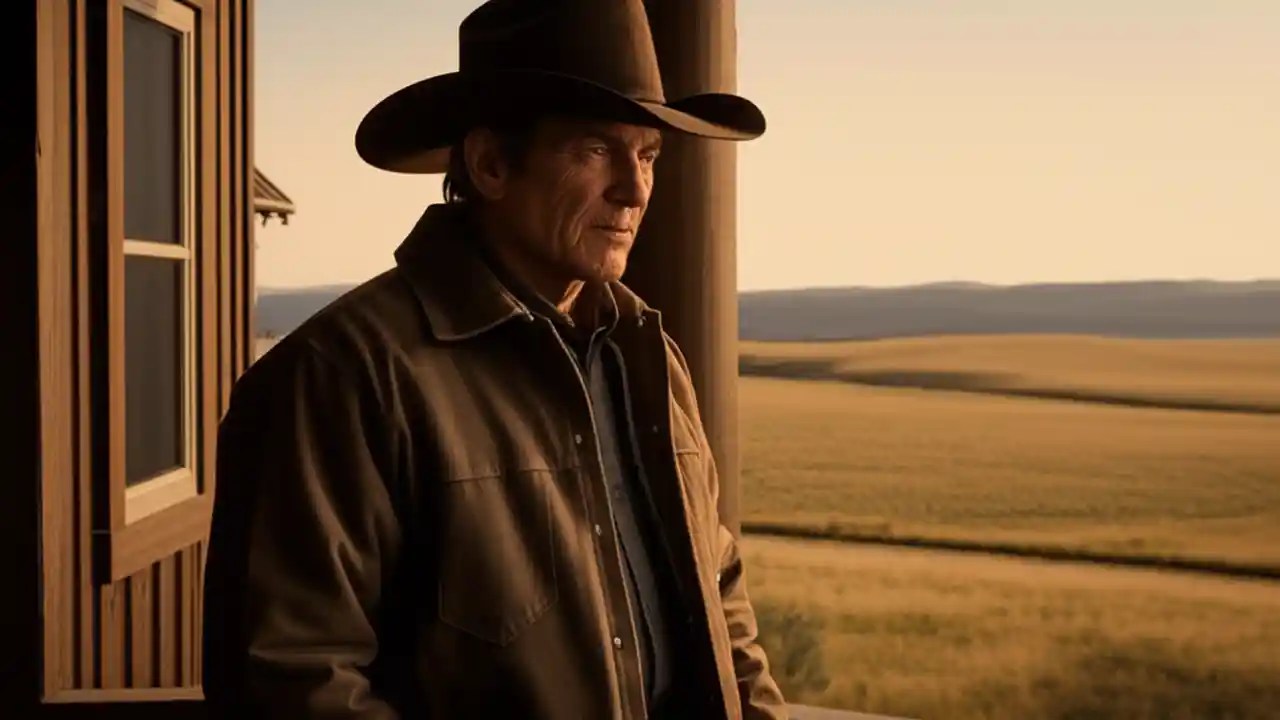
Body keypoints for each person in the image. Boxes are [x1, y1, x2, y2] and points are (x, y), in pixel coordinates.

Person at [202, 0, 785, 717]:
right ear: (490, 164)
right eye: (595, 150)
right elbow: (293, 682)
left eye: (648, 155)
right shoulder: (341, 378)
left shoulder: (650, 356)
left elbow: (718, 583)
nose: (634, 190)